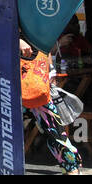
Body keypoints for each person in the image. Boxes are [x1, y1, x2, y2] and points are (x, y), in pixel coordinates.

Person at [20, 37, 81, 174]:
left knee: (53, 125)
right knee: (52, 126)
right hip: (23, 80)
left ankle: (71, 166)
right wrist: (17, 40)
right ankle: (71, 167)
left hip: (36, 81)